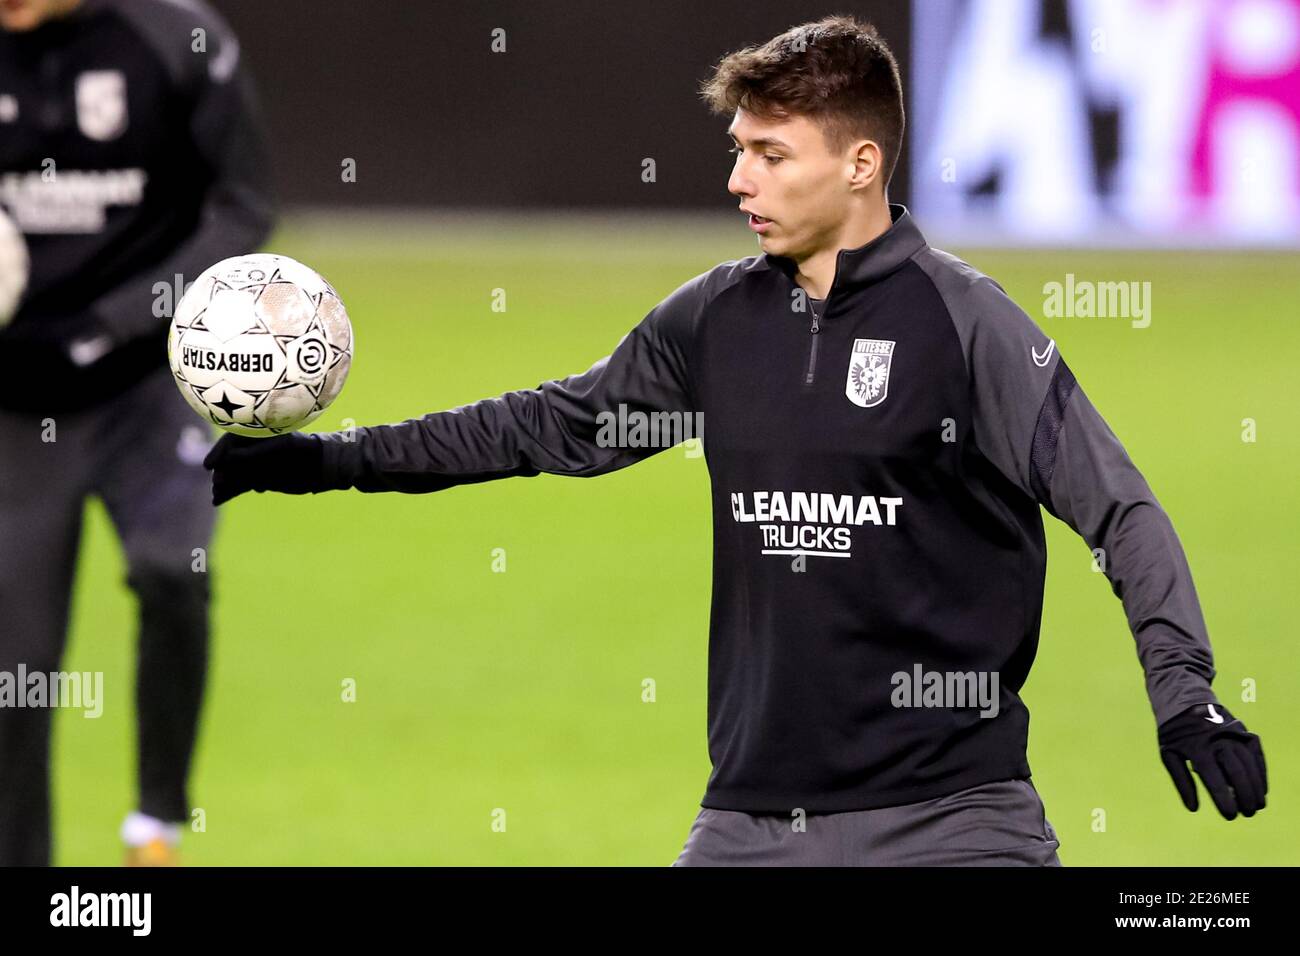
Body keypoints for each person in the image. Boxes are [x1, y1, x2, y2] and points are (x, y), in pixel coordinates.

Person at [202, 15, 1265, 866]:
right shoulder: (716, 321)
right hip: (752, 822)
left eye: (769, 154)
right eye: (738, 151)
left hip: (953, 823)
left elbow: (1120, 509)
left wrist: (1186, 695)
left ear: (860, 164)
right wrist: (324, 460)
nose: (737, 181)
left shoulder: (967, 326)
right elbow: (547, 426)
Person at [0, 0, 275, 865]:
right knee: (17, 668)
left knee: (171, 571)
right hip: (14, 402)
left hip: (147, 384)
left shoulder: (178, 39)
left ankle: (156, 820)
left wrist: (111, 324)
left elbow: (242, 208)